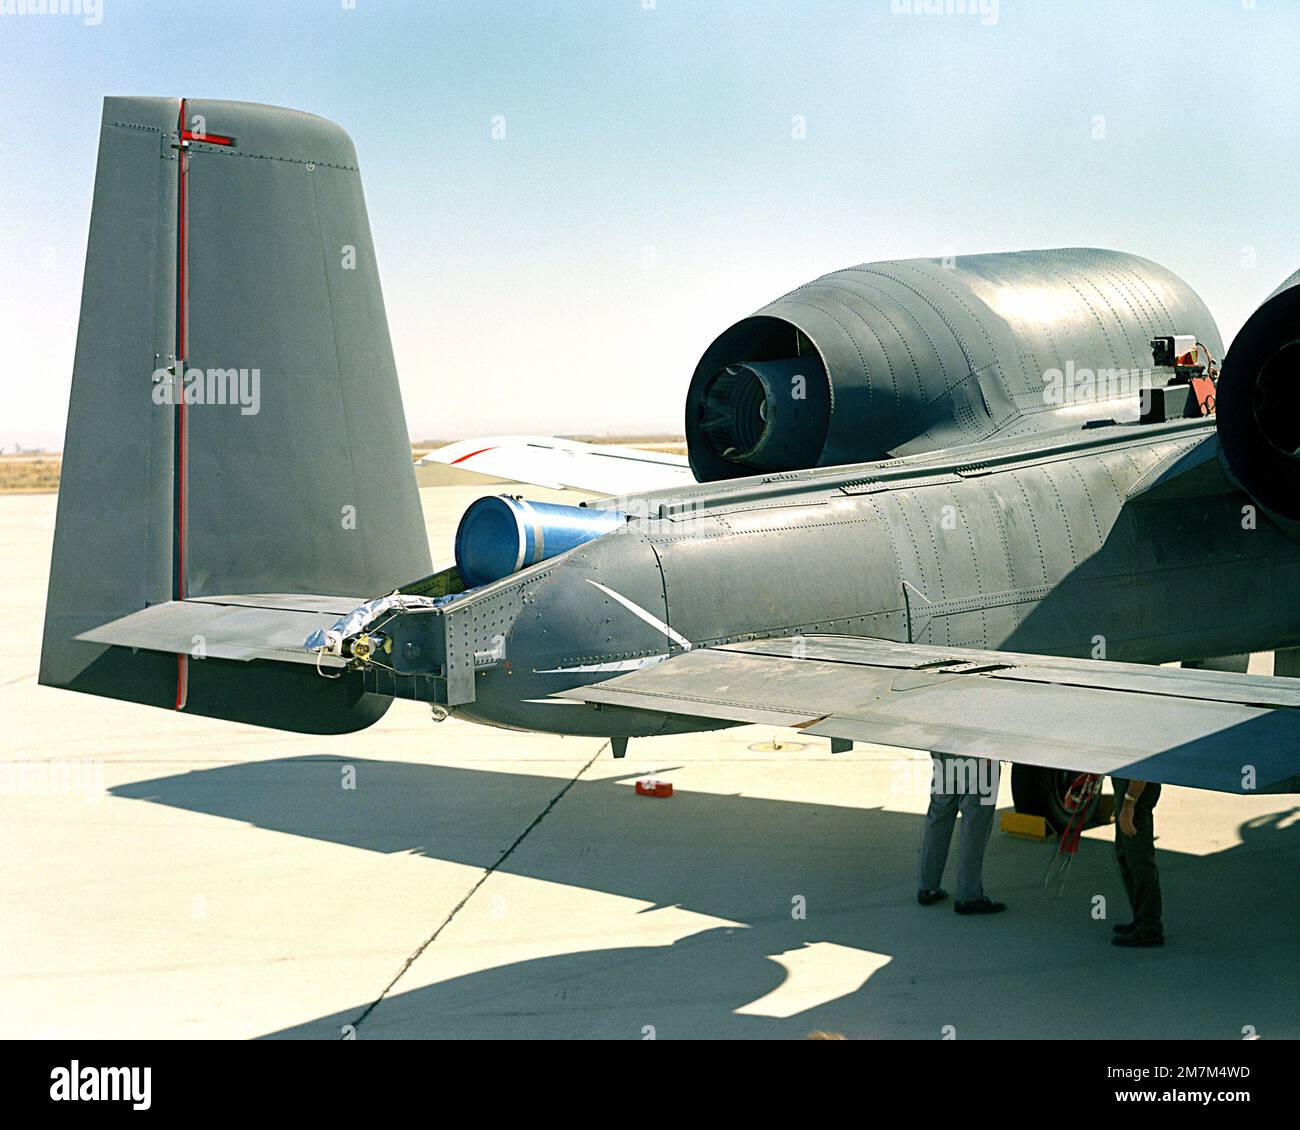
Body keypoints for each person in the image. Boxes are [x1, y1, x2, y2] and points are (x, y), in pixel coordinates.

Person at [916, 751, 1005, 914]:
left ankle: (927, 887)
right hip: (980, 757)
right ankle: (969, 895)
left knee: (939, 817)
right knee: (975, 824)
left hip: (945, 754)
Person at [1111, 777, 1164, 947]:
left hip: (1136, 796)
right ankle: (1141, 919)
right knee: (1125, 855)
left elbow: (1141, 769)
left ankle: (1149, 928)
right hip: (1127, 793)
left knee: (1139, 861)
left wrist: (1129, 804)